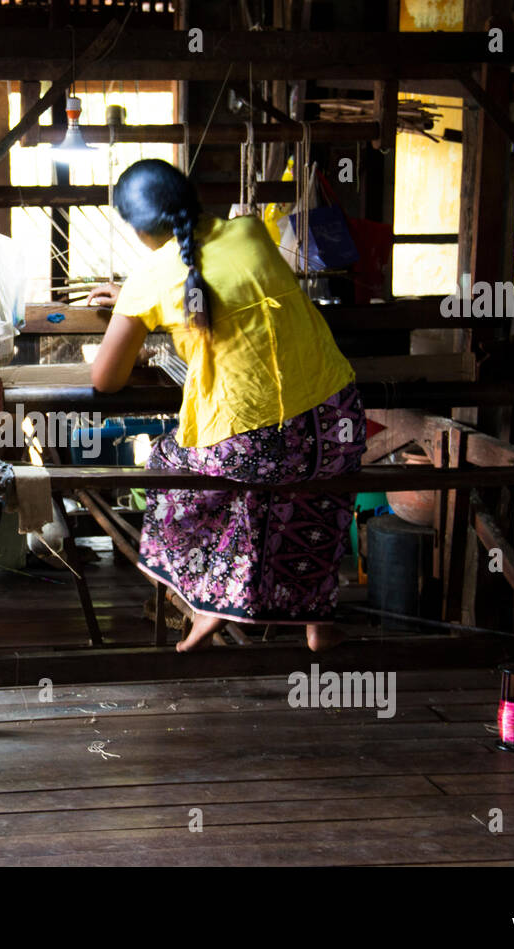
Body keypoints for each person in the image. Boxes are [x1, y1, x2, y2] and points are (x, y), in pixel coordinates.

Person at [87, 159, 366, 653]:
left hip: (253, 449)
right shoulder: (251, 233)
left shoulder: (151, 278)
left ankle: (209, 601)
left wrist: (132, 301)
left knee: (171, 467)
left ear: (136, 228)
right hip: (339, 426)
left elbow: (105, 380)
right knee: (304, 496)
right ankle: (317, 620)